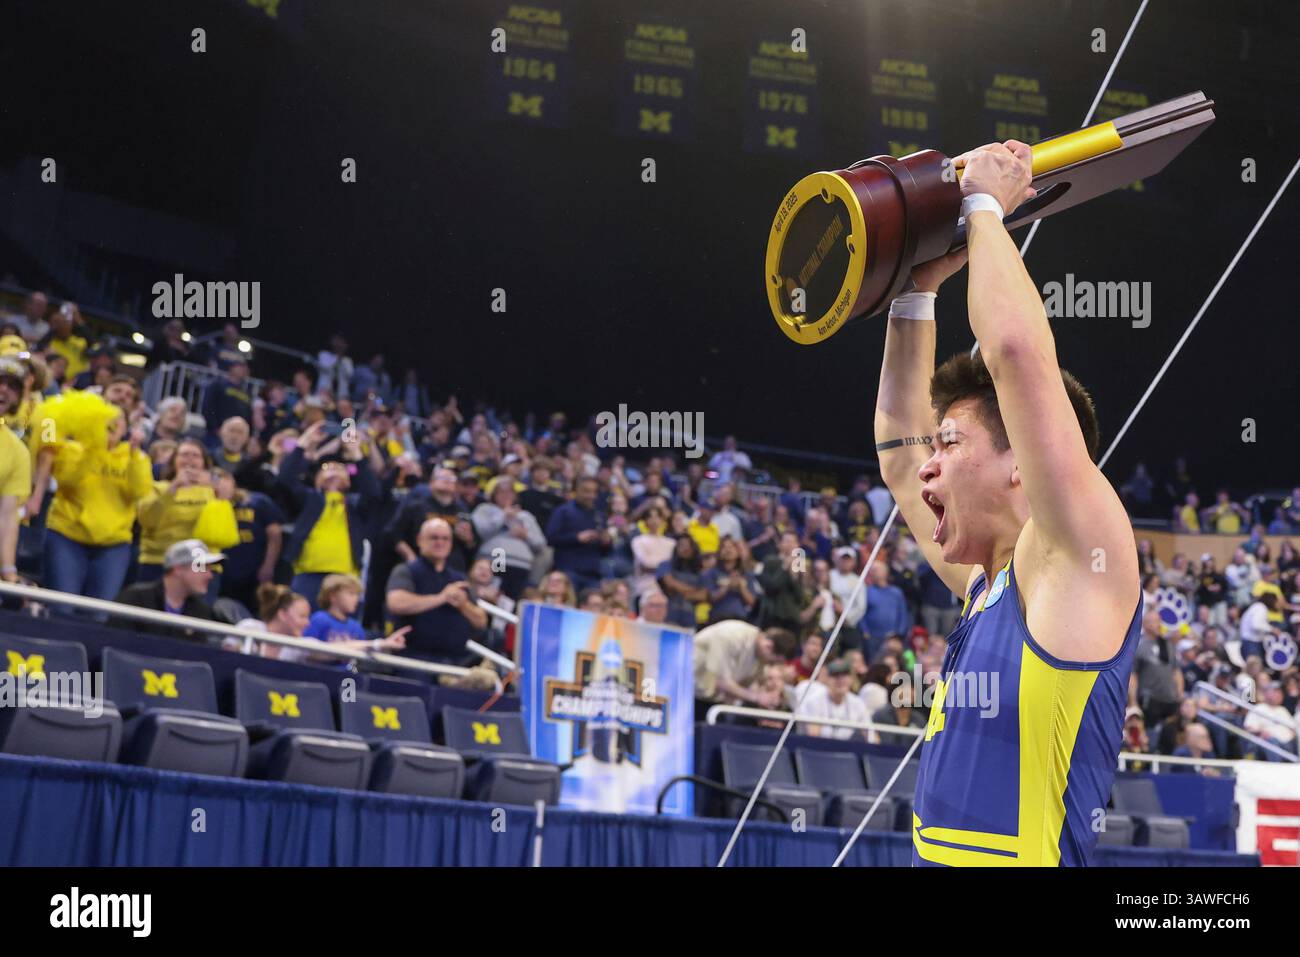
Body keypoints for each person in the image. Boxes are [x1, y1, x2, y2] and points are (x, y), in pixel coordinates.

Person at [872, 139, 1140, 866]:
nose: (926, 470)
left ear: (1024, 461)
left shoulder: (1074, 560)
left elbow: (1016, 352)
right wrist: (916, 290)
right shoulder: (985, 584)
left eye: (950, 445)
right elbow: (897, 445)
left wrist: (986, 206)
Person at [40, 393, 153, 606]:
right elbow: (67, 481)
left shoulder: (137, 457)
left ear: (126, 427)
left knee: (99, 613)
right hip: (68, 536)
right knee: (62, 607)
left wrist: (135, 455)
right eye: (107, 418)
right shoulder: (73, 449)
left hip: (114, 544)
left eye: (118, 420)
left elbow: (140, 492)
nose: (112, 423)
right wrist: (93, 447)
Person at [278, 421, 380, 607]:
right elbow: (285, 479)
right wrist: (306, 440)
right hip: (307, 574)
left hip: (345, 578)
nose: (333, 470)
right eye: (326, 468)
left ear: (349, 481)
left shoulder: (355, 504)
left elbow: (373, 492)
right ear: (317, 479)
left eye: (339, 468)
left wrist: (356, 452)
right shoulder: (309, 498)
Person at [384, 518, 489, 665]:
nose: (440, 542)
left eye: (445, 538)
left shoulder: (459, 578)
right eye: (434, 537)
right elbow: (396, 603)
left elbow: (481, 621)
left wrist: (463, 605)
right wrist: (442, 598)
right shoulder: (406, 570)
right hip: (412, 658)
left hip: (455, 660)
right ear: (419, 540)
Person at [115, 539, 220, 638]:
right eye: (202, 567)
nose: (210, 575)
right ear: (178, 569)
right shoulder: (136, 599)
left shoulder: (199, 612)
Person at [692, 620, 797, 720]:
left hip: (710, 701)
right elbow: (720, 681)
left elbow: (740, 686)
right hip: (688, 691)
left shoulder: (761, 657)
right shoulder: (731, 635)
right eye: (772, 662)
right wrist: (757, 697)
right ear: (768, 646)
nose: (770, 665)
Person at [303, 574, 407, 668]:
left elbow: (363, 653)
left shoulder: (355, 626)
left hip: (346, 679)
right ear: (333, 596)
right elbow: (307, 652)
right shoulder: (319, 619)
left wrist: (386, 646)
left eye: (357, 595)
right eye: (351, 594)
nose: (356, 599)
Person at [545, 475, 608, 591]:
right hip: (568, 570)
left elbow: (605, 551)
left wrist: (607, 542)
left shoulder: (599, 516)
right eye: (586, 491)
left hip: (593, 574)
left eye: (594, 492)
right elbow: (550, 538)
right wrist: (576, 538)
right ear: (576, 491)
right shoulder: (563, 511)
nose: (591, 496)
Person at [0, 360, 32, 584]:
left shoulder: (17, 450)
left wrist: (8, 570)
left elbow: (8, 516)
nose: (4, 389)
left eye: (12, 386)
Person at [796, 658, 870, 739]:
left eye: (845, 675)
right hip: (821, 749)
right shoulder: (815, 700)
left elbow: (871, 736)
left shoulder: (858, 703)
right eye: (836, 675)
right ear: (827, 679)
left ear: (851, 679)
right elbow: (813, 736)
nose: (841, 680)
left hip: (849, 749)